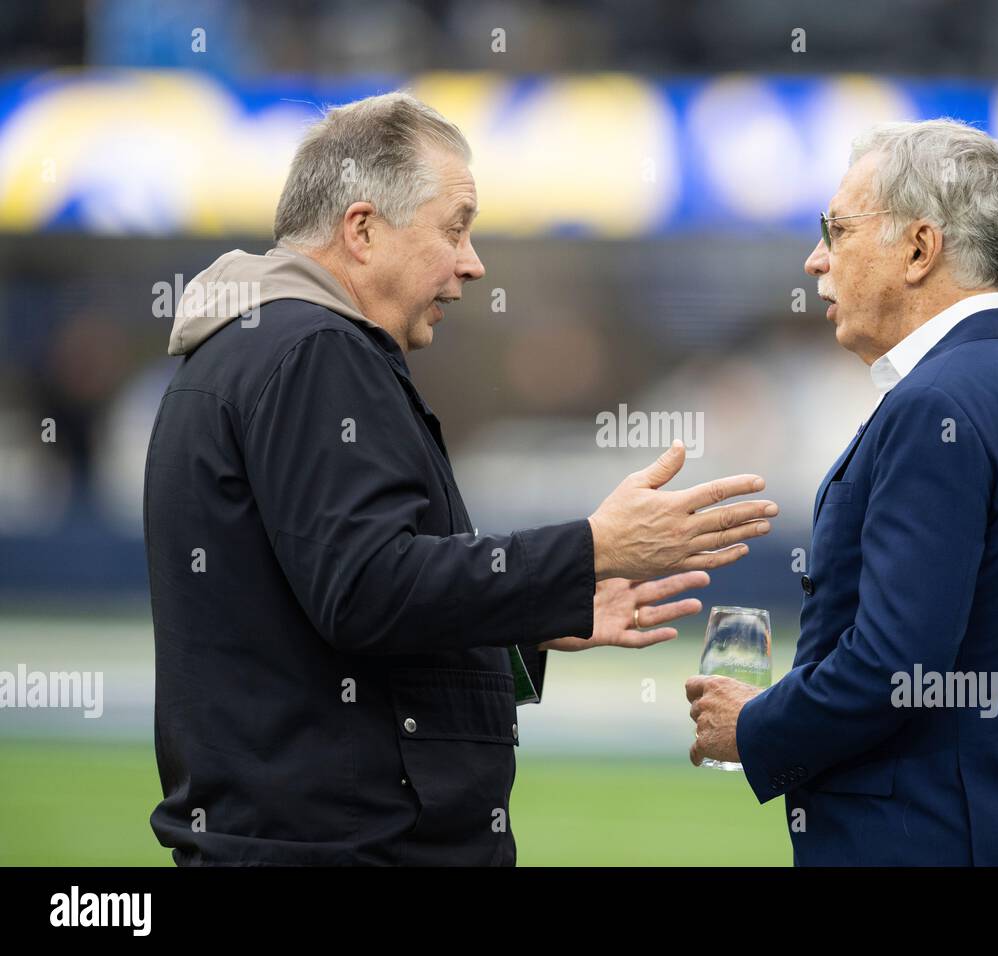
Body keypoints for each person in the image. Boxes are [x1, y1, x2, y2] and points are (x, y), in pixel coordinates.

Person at [144, 91, 778, 865]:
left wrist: (533, 615)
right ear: (363, 229)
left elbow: (336, 602)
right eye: (455, 228)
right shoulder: (317, 348)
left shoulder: (245, 347)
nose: (473, 264)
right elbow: (368, 590)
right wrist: (589, 551)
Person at [687, 119, 998, 866]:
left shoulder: (933, 406)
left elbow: (894, 665)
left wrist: (753, 729)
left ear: (918, 249)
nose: (815, 261)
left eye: (836, 230)